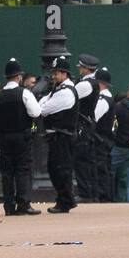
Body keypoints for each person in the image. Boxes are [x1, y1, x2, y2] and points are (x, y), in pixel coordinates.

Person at [0, 58, 41, 215]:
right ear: (19, 77)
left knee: (7, 171)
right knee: (23, 169)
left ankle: (8, 205)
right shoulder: (25, 93)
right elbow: (36, 112)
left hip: (4, 137)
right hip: (22, 136)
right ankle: (23, 204)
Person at [37, 55, 80, 213]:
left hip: (63, 136)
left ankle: (66, 200)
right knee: (55, 168)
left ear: (65, 74)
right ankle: (66, 199)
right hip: (58, 136)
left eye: (56, 73)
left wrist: (44, 105)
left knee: (61, 169)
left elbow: (43, 109)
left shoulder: (65, 92)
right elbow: (42, 103)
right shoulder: (59, 89)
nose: (53, 76)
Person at [72, 53, 102, 201]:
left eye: (81, 67)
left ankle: (85, 193)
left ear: (85, 69)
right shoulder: (94, 83)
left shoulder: (84, 85)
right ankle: (92, 193)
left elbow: (71, 96)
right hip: (89, 124)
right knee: (89, 160)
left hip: (82, 126)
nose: (79, 70)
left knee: (81, 160)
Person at [91, 67, 116, 202]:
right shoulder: (105, 98)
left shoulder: (104, 99)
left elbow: (94, 116)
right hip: (103, 138)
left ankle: (103, 195)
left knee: (101, 167)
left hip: (101, 139)